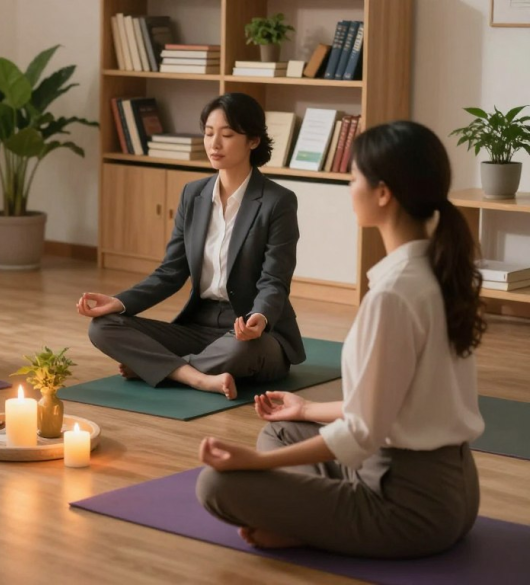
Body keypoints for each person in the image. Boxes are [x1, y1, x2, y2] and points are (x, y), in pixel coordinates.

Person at [196, 120, 486, 558]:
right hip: (454, 491)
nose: (349, 187)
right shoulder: (437, 273)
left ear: (383, 193)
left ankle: (312, 526)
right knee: (282, 428)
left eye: (354, 177)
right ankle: (314, 520)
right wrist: (307, 408)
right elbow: (394, 406)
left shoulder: (393, 295)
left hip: (406, 509)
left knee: (215, 484)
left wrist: (252, 464)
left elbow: (363, 433)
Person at [78, 93, 305, 399]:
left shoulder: (278, 201)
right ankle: (198, 377)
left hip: (249, 332)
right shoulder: (193, 195)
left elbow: (274, 281)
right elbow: (170, 272)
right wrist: (119, 303)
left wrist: (259, 319)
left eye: (227, 135)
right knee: (102, 327)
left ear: (253, 141)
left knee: (242, 350)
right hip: (197, 327)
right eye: (209, 133)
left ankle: (161, 368)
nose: (214, 144)